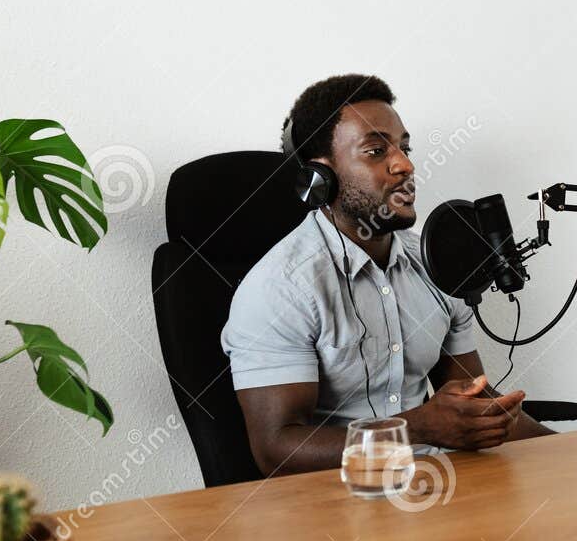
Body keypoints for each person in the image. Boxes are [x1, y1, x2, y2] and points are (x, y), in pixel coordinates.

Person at [223, 74, 552, 476]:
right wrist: (418, 428)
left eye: (405, 147)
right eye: (377, 150)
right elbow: (276, 450)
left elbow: (472, 399)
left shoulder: (438, 264)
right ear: (319, 179)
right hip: (330, 509)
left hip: (434, 488)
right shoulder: (281, 289)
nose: (405, 164)